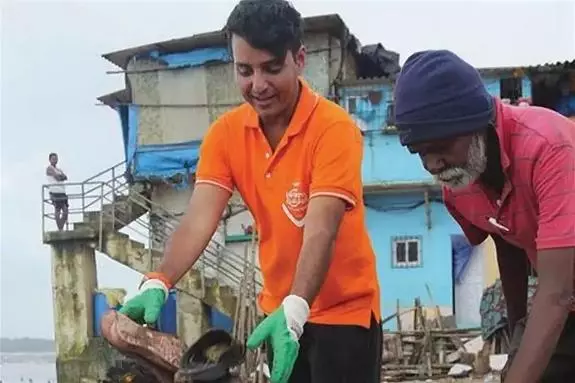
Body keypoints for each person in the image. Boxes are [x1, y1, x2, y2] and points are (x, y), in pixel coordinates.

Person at [119, 1, 382, 382]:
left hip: (344, 315)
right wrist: (160, 278)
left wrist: (297, 310)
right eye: (245, 70)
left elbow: (321, 228)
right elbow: (198, 219)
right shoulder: (225, 135)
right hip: (276, 314)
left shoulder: (333, 130)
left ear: (299, 59)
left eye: (272, 68)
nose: (258, 85)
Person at [393, 50, 575, 383]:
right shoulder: (459, 183)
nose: (433, 164)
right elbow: (506, 240)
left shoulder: (548, 147)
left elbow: (558, 291)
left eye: (442, 146)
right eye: (420, 151)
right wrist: (518, 332)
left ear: (478, 122)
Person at [46, 152, 69, 231]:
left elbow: (65, 177)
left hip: (62, 192)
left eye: (56, 158)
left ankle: (61, 226)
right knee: (58, 209)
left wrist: (61, 177)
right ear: (50, 160)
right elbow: (57, 178)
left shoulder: (59, 169)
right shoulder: (49, 168)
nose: (55, 160)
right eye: (53, 159)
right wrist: (60, 177)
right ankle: (60, 228)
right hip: (54, 192)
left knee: (65, 210)